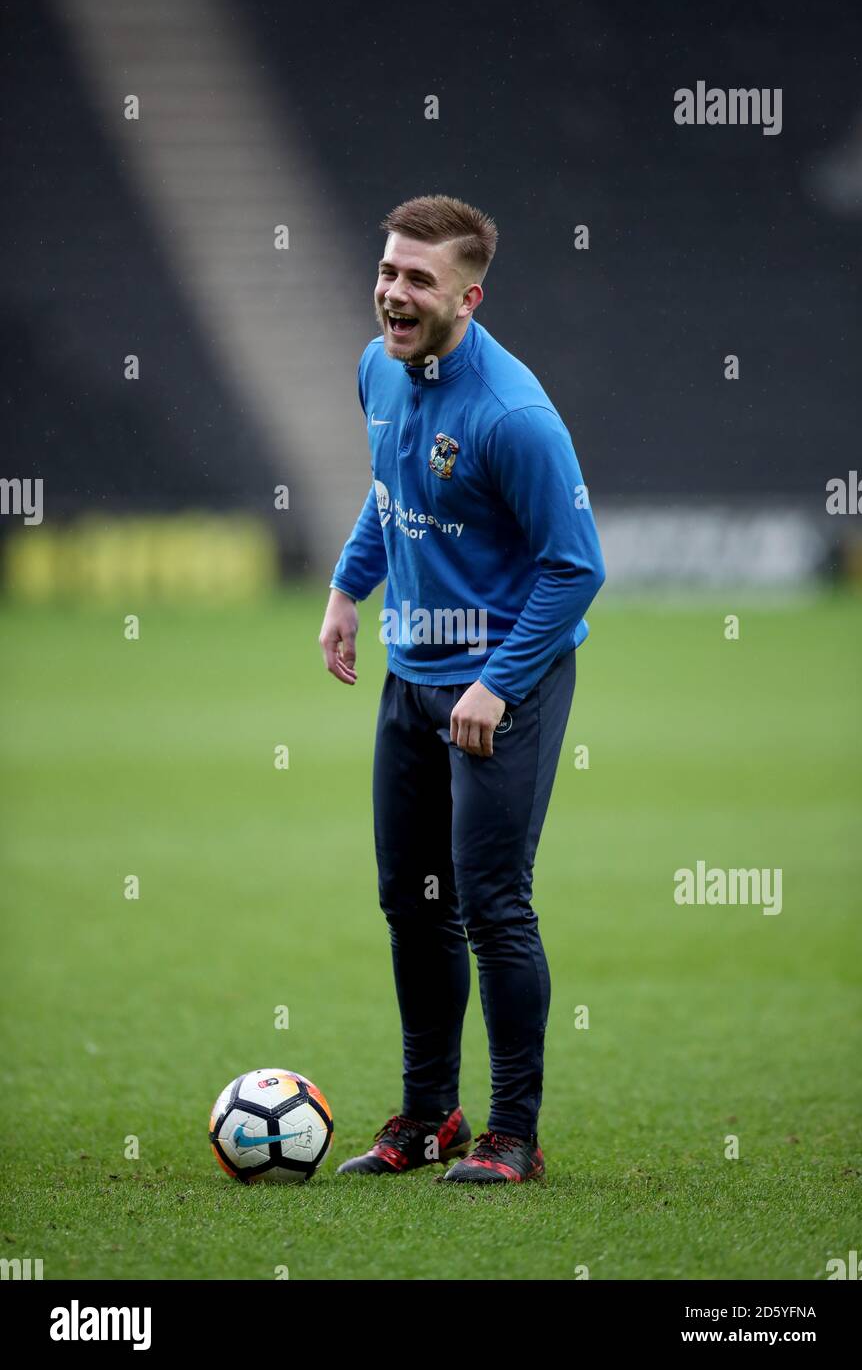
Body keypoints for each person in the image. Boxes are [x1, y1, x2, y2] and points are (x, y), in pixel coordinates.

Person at [318, 195, 605, 1183]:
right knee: (411, 900)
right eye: (387, 271)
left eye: (416, 281)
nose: (392, 294)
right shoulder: (376, 368)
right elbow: (392, 488)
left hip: (500, 686)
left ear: (468, 297)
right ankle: (427, 1115)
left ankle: (512, 1135)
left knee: (491, 906)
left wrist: (496, 683)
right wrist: (348, 586)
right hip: (410, 678)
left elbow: (576, 568)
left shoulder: (511, 415)